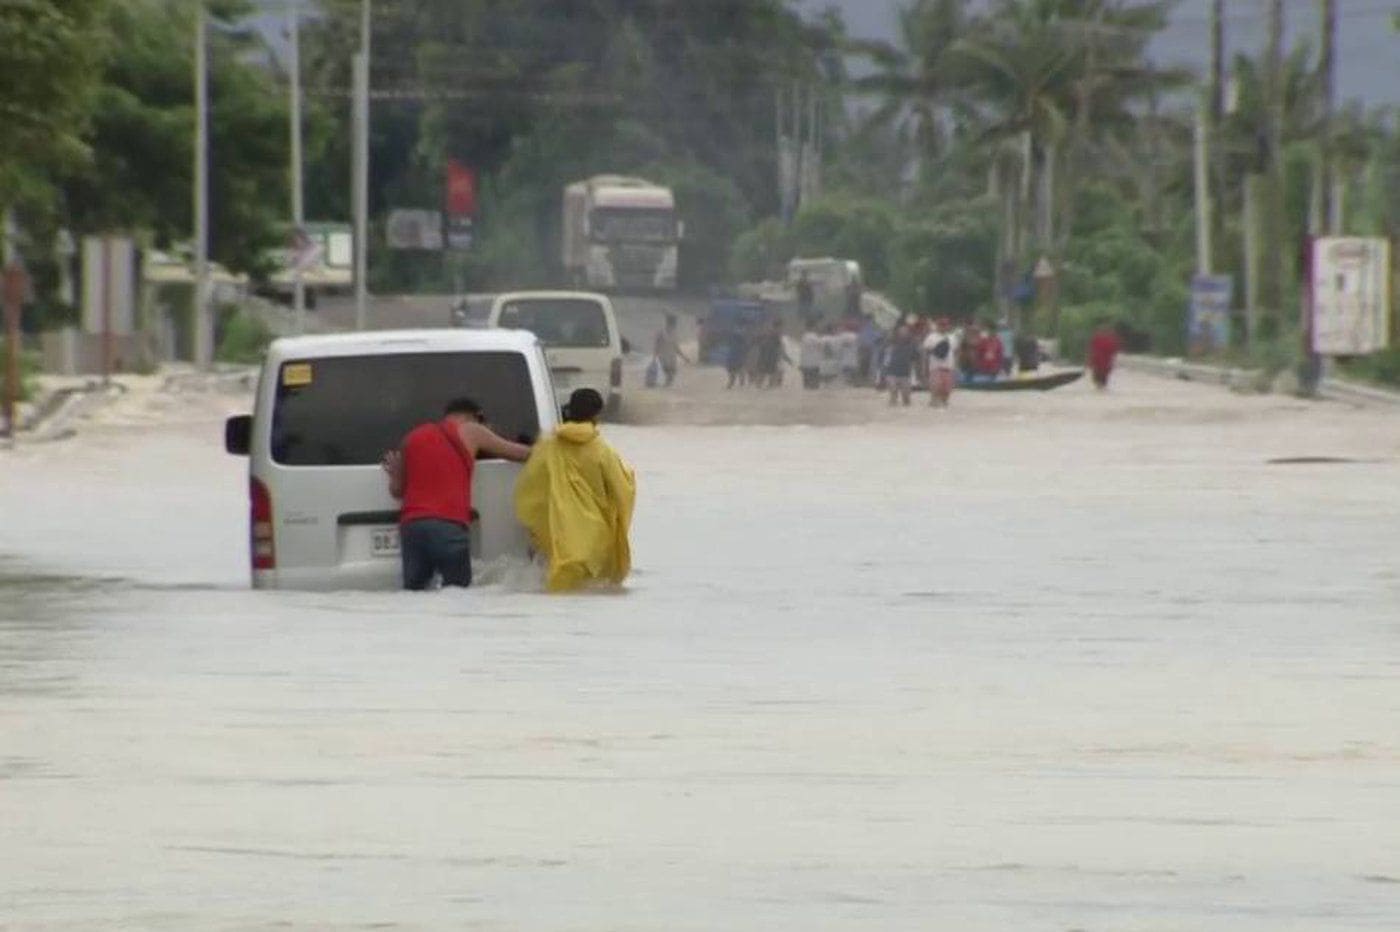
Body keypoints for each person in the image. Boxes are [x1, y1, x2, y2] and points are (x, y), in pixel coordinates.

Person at [381, 398, 531, 591]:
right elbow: (519, 453)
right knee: (457, 595)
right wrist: (551, 448)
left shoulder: (411, 438)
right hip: (448, 525)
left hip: (412, 527)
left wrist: (395, 474)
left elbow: (397, 491)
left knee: (414, 594)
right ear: (476, 417)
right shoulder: (472, 430)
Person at [515, 389, 636, 592]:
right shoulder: (602, 450)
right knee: (591, 590)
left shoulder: (548, 445)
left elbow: (530, 486)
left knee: (555, 585)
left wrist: (538, 526)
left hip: (557, 528)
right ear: (596, 415)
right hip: (594, 534)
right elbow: (623, 489)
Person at [922, 317, 958, 407]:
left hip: (949, 366)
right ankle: (934, 401)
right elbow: (926, 351)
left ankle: (943, 402)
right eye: (941, 325)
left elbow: (955, 352)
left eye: (945, 325)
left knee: (947, 389)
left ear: (949, 326)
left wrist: (956, 366)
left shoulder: (952, 337)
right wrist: (925, 366)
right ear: (938, 326)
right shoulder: (931, 337)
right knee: (936, 386)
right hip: (935, 366)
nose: (943, 327)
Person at [653, 314, 690, 388]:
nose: (674, 326)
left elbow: (676, 347)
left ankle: (666, 387)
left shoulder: (671, 333)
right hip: (664, 357)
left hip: (671, 357)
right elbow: (656, 345)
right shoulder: (662, 333)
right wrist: (654, 357)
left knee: (672, 373)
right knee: (669, 373)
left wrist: (684, 357)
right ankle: (666, 386)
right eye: (674, 324)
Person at [884, 326, 917, 406]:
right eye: (902, 332)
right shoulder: (891, 345)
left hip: (905, 373)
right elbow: (886, 359)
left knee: (906, 398)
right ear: (898, 334)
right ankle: (893, 404)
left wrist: (915, 373)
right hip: (891, 372)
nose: (904, 334)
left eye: (905, 332)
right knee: (893, 392)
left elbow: (915, 359)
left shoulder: (912, 346)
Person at [1088, 321, 1122, 389]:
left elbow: (1092, 349)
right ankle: (1101, 385)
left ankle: (1100, 385)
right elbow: (1115, 350)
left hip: (1100, 360)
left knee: (1099, 374)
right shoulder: (1111, 338)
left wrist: (1090, 359)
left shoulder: (1098, 337)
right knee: (1102, 374)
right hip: (1103, 360)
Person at [799, 323, 822, 390]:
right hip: (815, 363)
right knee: (815, 386)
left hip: (805, 363)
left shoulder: (803, 337)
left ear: (806, 328)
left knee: (806, 386)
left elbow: (802, 351)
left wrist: (801, 363)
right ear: (814, 327)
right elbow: (820, 348)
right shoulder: (816, 337)